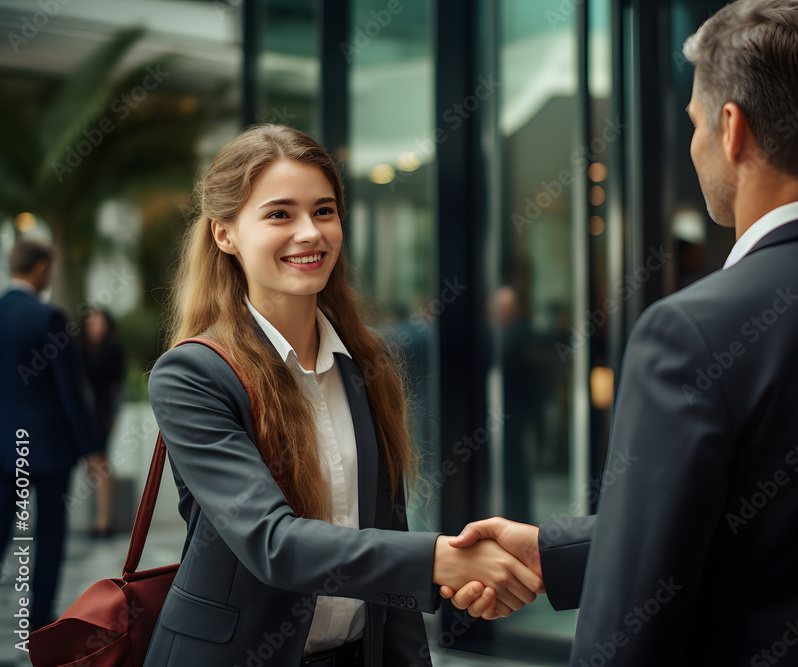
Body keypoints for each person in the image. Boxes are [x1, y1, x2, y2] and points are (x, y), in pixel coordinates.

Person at [443, 1, 798, 664]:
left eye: (695, 125)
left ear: (732, 128)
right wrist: (556, 550)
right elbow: (793, 529)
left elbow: (626, 637)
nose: (694, 143)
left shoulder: (687, 332)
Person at [145, 123, 543, 666]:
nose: (309, 232)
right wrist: (442, 561)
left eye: (324, 211)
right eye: (279, 214)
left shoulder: (367, 363)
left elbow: (388, 540)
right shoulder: (192, 376)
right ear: (224, 234)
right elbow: (272, 543)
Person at [0, 238, 99, 630]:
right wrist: (92, 448)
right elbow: (69, 391)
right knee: (49, 535)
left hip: (5, 448)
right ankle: (39, 620)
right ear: (41, 267)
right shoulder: (47, 318)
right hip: (48, 447)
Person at [80, 309, 125, 537]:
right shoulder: (84, 350)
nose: (95, 327)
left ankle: (104, 522)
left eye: (99, 323)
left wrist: (113, 415)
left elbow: (117, 386)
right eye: (92, 323)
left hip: (103, 413)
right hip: (87, 414)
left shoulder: (112, 349)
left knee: (100, 463)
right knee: (94, 464)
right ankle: (102, 520)